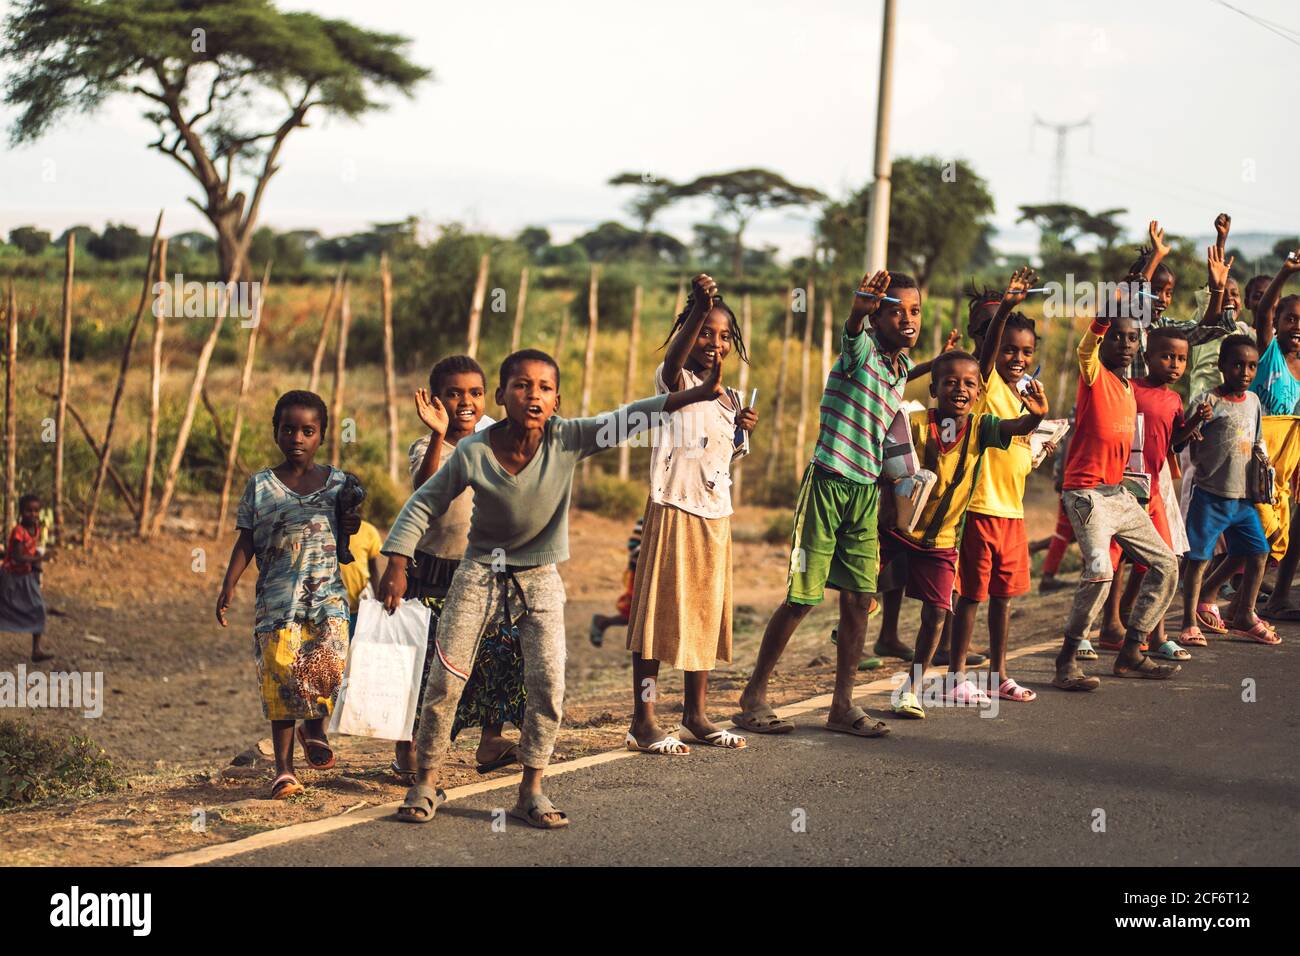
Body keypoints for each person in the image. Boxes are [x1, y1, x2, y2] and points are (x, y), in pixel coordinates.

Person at [378, 348, 724, 828]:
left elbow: (629, 418)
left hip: (540, 576)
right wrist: (397, 560)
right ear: (501, 396)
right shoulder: (475, 451)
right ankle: (425, 781)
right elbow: (423, 503)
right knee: (446, 680)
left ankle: (531, 789)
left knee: (548, 686)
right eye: (521, 385)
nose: (532, 395)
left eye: (543, 387)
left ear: (556, 399)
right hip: (479, 572)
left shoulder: (568, 438)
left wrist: (695, 394)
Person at [734, 270, 918, 740]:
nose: (908, 319)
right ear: (877, 314)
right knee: (801, 598)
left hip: (864, 492)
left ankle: (842, 705)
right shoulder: (859, 354)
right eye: (896, 309)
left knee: (860, 600)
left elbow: (897, 383)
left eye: (915, 311)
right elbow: (852, 333)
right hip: (827, 484)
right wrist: (858, 310)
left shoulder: (898, 368)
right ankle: (753, 695)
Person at [625, 274, 758, 755]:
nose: (715, 344)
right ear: (689, 329)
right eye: (706, 331)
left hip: (716, 516)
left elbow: (725, 457)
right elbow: (673, 359)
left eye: (724, 336)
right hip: (672, 508)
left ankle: (695, 715)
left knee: (703, 614)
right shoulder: (675, 381)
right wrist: (701, 305)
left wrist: (742, 430)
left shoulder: (733, 397)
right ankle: (643, 720)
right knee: (657, 619)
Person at [886, 346, 1048, 717]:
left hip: (942, 539)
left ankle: (911, 687)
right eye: (950, 382)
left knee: (937, 614)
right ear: (934, 389)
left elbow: (1017, 426)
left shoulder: (982, 427)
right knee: (862, 598)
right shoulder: (914, 425)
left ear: (979, 394)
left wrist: (1035, 417)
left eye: (969, 384)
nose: (960, 389)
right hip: (897, 531)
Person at [216, 390, 358, 800]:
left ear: (322, 435)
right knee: (281, 681)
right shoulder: (260, 486)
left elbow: (350, 530)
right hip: (278, 604)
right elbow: (247, 539)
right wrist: (228, 584)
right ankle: (283, 770)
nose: (297, 437)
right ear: (276, 432)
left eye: (308, 431)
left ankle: (313, 727)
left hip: (328, 598)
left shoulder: (338, 484)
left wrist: (351, 517)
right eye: (289, 429)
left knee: (329, 666)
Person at [393, 355, 522, 782]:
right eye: (453, 394)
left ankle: (490, 739)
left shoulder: (494, 447)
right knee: (425, 663)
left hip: (483, 571)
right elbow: (427, 489)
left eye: (475, 393)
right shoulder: (427, 448)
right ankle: (409, 748)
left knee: (497, 651)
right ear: (435, 400)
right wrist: (437, 435)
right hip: (432, 572)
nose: (465, 401)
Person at [1052, 294, 1180, 691]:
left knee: (1166, 564)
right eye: (1117, 337)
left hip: (1118, 493)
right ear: (1106, 341)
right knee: (1099, 570)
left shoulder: (1128, 385)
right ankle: (1068, 659)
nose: (1125, 344)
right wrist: (1103, 318)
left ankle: (1132, 650)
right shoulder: (1093, 375)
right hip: (1086, 494)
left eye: (1131, 338)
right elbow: (1086, 346)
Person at [951, 269, 1049, 703]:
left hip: (1013, 512)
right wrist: (1007, 308)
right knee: (971, 596)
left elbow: (1022, 443)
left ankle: (999, 672)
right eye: (1009, 349)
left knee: (1004, 598)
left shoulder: (1025, 393)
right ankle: (956, 677)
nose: (1017, 358)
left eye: (1025, 351)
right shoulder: (986, 384)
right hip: (980, 507)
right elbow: (987, 356)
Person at [1179, 335, 1279, 645]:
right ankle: (1188, 623)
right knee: (1198, 559)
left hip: (1243, 499)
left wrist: (1267, 480)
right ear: (1221, 366)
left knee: (1258, 551)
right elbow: (1181, 441)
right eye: (1237, 365)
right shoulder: (1207, 401)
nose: (1245, 373)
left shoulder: (1253, 401)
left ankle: (1245, 614)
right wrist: (1197, 421)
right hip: (1210, 495)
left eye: (1251, 366)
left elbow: (1258, 442)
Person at [1248, 250, 1300, 622]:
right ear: (1278, 322)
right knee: (1263, 531)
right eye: (1290, 319)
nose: (1296, 326)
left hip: (1292, 460)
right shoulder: (1269, 355)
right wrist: (1285, 271)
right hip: (1260, 459)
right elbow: (1262, 311)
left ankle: (1276, 597)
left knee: (1284, 527)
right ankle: (1233, 605)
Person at [1, 493, 50, 662]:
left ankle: (36, 650)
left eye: (36, 511)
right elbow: (18, 557)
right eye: (29, 511)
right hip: (11, 578)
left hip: (27, 577)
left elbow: (31, 551)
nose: (33, 514)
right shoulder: (18, 532)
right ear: (21, 512)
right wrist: (39, 559)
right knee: (3, 610)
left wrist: (37, 564)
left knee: (38, 609)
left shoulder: (36, 528)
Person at [588, 516, 643, 647]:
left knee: (639, 615)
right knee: (637, 614)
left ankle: (603, 622)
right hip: (641, 572)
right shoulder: (653, 511)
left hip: (649, 572)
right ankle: (602, 621)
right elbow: (634, 546)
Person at [338, 516, 382, 636]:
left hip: (360, 609)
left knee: (357, 650)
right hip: (331, 611)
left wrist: (378, 602)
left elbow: (373, 569)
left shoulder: (369, 531)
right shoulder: (327, 528)